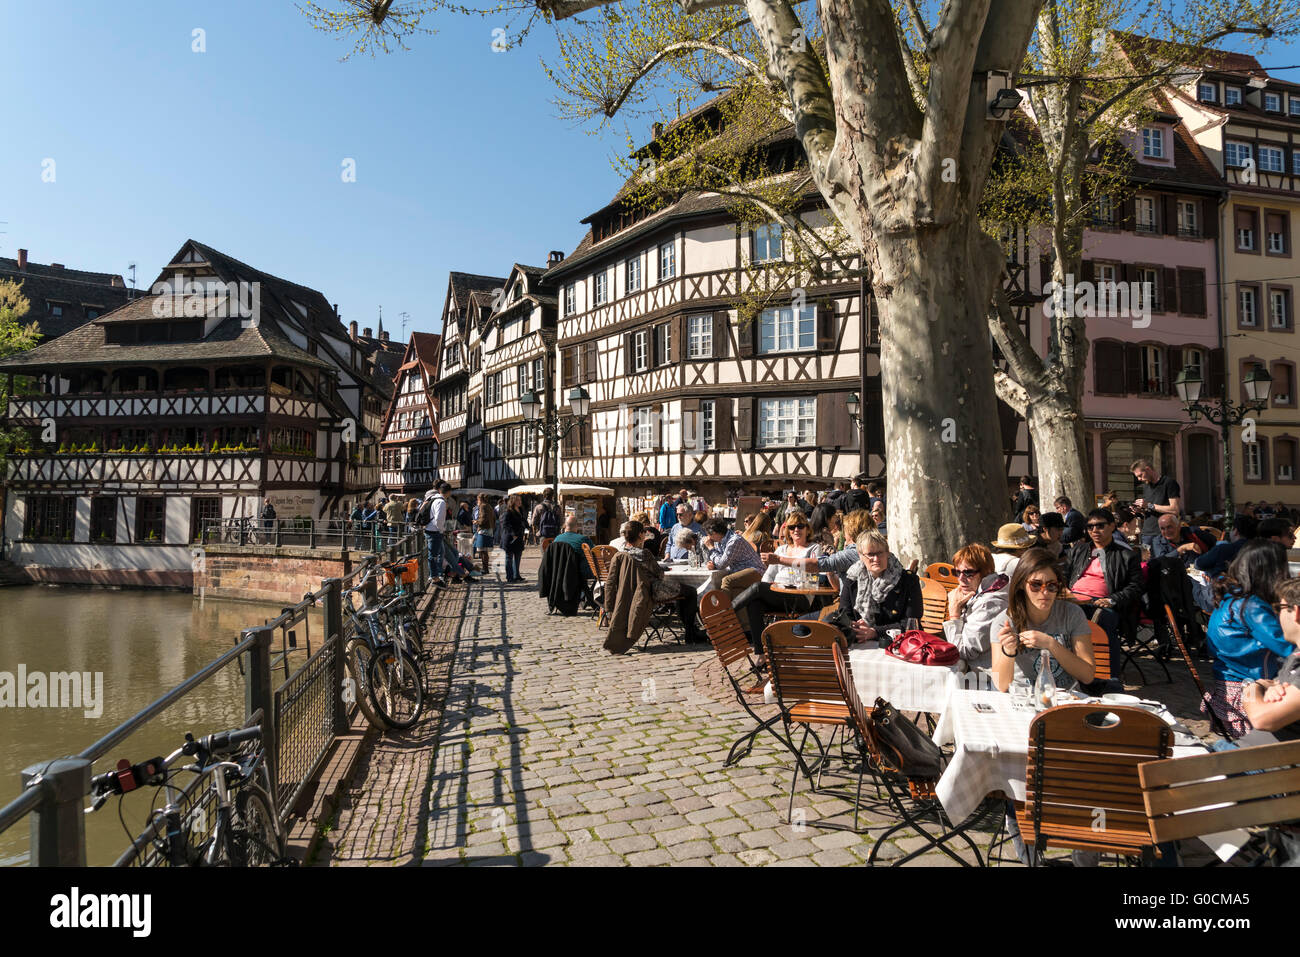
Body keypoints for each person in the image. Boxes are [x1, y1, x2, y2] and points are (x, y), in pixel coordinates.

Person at [1205, 540, 1291, 738]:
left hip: (1229, 685)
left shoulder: (1232, 597)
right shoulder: (1251, 607)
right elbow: (1288, 645)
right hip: (1249, 690)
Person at [990, 548, 1095, 693]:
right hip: (1023, 697)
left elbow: (1087, 676)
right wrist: (1008, 650)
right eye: (1036, 585)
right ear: (1021, 584)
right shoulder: (1005, 622)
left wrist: (1051, 644)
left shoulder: (1072, 614)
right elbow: (1001, 685)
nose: (1044, 592)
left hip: (1066, 697)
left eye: (1051, 585)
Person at [1062, 508, 1142, 680]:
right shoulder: (1078, 550)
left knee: (1104, 621)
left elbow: (1135, 587)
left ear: (1112, 526)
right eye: (1090, 527)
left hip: (1103, 603)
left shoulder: (1126, 555)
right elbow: (1063, 575)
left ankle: (1109, 678)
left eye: (1100, 526)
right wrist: (1064, 590)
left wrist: (1112, 600)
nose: (1094, 530)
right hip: (1073, 600)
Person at [733, 515, 832, 654]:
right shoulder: (781, 549)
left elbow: (813, 577)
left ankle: (728, 611)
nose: (796, 529)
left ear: (807, 529)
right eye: (792, 527)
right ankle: (762, 654)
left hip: (800, 597)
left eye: (800, 526)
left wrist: (773, 582)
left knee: (758, 587)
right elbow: (769, 575)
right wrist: (767, 588)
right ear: (788, 531)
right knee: (754, 603)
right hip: (779, 595)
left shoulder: (813, 548)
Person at [1240, 578, 1300, 742]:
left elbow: (1261, 718)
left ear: (1296, 612)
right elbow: (1274, 686)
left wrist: (1251, 687)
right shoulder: (1296, 654)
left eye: (1279, 608)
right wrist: (1268, 689)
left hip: (1262, 756)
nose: (1277, 615)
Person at [840, 530, 923, 645]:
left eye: (880, 553)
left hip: (898, 644)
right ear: (860, 556)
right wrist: (855, 627)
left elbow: (912, 623)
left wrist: (875, 632)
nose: (876, 559)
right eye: (870, 554)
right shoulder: (852, 579)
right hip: (860, 643)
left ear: (887, 553)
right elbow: (844, 615)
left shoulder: (908, 580)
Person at [943, 543, 1010, 671]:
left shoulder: (989, 603)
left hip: (985, 676)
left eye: (968, 573)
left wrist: (954, 614)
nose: (961, 579)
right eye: (957, 572)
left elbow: (963, 651)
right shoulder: (989, 588)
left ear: (985, 573)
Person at [704, 516, 765, 596]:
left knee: (727, 580)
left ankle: (723, 604)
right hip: (738, 571)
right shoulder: (718, 541)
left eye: (709, 535)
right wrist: (712, 564)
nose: (708, 538)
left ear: (715, 533)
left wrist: (711, 548)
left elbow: (721, 564)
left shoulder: (734, 541)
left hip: (755, 571)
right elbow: (720, 560)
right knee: (728, 588)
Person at [1131, 458, 1182, 548]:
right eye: (1137, 477)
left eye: (1140, 475)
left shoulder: (1169, 483)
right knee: (1146, 558)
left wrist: (1149, 505)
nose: (1139, 479)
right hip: (1146, 534)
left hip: (1163, 533)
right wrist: (1140, 510)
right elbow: (1151, 509)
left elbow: (1175, 509)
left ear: (1148, 469)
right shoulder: (1146, 486)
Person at [421, 486, 447, 582]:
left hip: (430, 530)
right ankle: (434, 577)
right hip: (435, 531)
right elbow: (438, 519)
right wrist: (441, 530)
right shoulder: (440, 502)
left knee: (437, 554)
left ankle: (435, 575)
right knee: (434, 556)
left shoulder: (431, 502)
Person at [500, 494, 527, 583]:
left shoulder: (520, 510)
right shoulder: (508, 511)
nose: (520, 502)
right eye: (518, 500)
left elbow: (523, 521)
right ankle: (510, 577)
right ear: (513, 501)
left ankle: (516, 575)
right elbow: (505, 524)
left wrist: (528, 526)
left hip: (518, 537)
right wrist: (512, 533)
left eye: (520, 500)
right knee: (509, 557)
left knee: (518, 556)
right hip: (510, 538)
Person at [473, 493, 496, 574]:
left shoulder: (483, 506)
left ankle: (485, 569)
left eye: (477, 499)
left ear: (480, 499)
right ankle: (485, 568)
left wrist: (477, 522)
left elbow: (483, 518)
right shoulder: (489, 506)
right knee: (484, 551)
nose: (477, 501)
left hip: (484, 530)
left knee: (483, 551)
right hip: (489, 529)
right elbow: (493, 518)